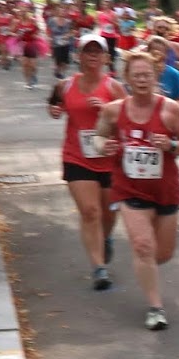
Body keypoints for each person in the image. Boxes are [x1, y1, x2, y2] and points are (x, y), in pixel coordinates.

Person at [94, 48, 179, 330]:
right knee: (143, 246)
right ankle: (155, 307)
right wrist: (104, 145)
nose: (142, 79)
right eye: (136, 75)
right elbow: (97, 137)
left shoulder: (170, 109)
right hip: (129, 187)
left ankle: (147, 267)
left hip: (165, 188)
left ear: (156, 76)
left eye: (148, 75)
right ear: (127, 77)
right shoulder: (113, 110)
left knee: (162, 253)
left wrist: (172, 145)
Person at [47, 32, 124, 290]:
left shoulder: (113, 88)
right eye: (87, 51)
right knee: (90, 212)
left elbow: (130, 119)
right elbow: (54, 105)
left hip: (110, 158)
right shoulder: (66, 85)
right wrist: (55, 110)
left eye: (97, 51)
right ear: (78, 56)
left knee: (108, 214)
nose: (92, 55)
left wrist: (106, 109)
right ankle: (99, 268)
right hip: (76, 157)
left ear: (105, 57)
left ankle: (107, 237)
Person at [144, 35, 179, 100]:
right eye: (153, 51)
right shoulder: (141, 73)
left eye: (161, 51)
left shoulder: (175, 75)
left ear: (167, 54)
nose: (157, 55)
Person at [47, 1, 73, 80]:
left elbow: (72, 32)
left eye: (64, 11)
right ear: (57, 12)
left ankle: (62, 73)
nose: (62, 12)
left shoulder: (68, 22)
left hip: (66, 43)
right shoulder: (52, 20)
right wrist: (49, 38)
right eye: (61, 11)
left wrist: (68, 35)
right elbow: (48, 30)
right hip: (56, 43)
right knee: (58, 59)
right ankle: (57, 70)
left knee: (64, 60)